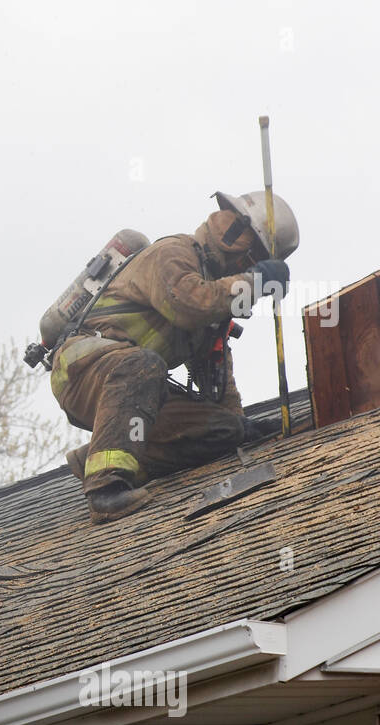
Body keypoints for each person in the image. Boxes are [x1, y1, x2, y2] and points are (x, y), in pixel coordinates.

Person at [52, 191, 297, 523]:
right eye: (251, 258)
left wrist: (240, 428)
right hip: (82, 370)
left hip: (134, 393)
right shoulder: (173, 254)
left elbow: (218, 378)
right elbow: (186, 302)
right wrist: (252, 283)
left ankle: (97, 458)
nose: (248, 266)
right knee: (144, 364)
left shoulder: (215, 309)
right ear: (234, 238)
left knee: (221, 429)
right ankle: (105, 488)